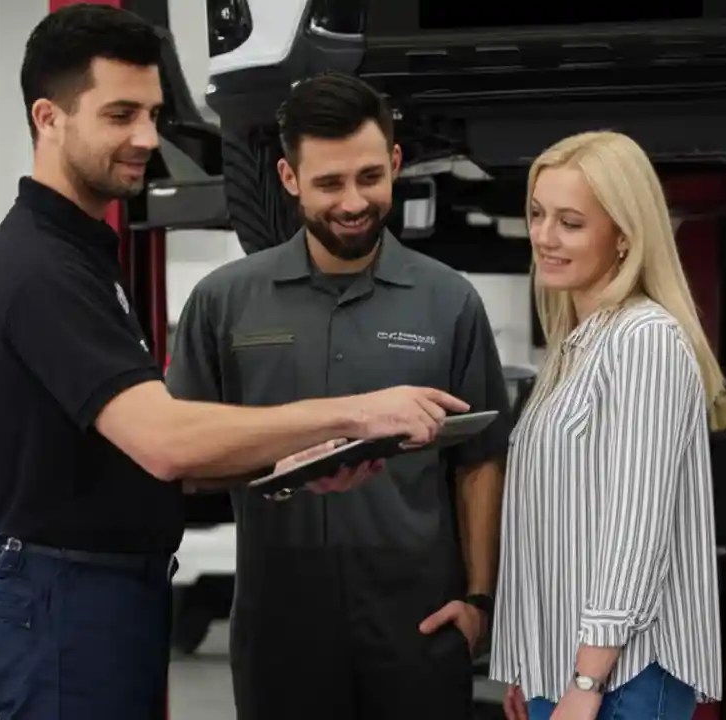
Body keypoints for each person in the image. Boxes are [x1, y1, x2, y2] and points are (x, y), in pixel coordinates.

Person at [0, 6, 470, 720]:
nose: (146, 137)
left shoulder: (80, 253)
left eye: (152, 113)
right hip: (68, 601)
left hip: (102, 595)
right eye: (119, 115)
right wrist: (357, 411)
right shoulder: (41, 268)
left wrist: (302, 457)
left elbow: (169, 461)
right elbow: (167, 443)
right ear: (48, 118)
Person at [166, 71, 513, 720]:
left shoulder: (449, 300)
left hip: (422, 625)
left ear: (396, 163)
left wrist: (479, 601)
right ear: (290, 178)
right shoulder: (225, 301)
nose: (353, 202)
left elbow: (480, 459)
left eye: (369, 177)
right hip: (279, 628)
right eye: (328, 183)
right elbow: (182, 453)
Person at [489, 131, 724, 720]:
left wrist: (587, 682)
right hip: (567, 666)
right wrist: (532, 663)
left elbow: (635, 528)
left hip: (623, 675)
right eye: (538, 215)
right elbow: (550, 523)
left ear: (624, 235)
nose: (544, 237)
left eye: (571, 223)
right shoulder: (575, 347)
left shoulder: (643, 340)